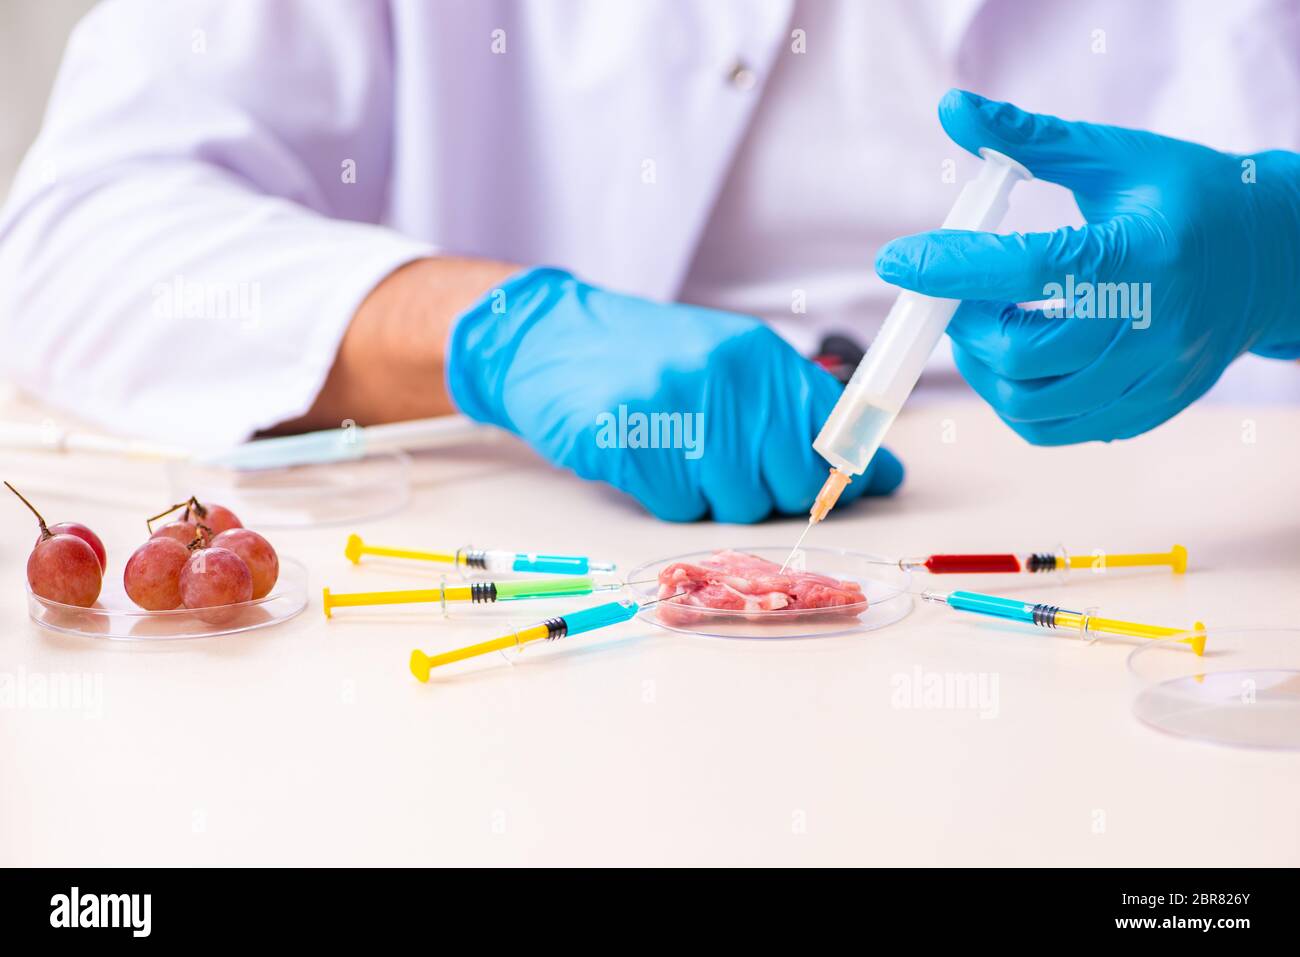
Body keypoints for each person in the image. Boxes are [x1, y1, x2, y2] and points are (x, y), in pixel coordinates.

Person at [1, 1, 1297, 523]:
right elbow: (77, 235)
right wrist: (493, 330)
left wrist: (1272, 249)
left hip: (1206, 590)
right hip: (594, 570)